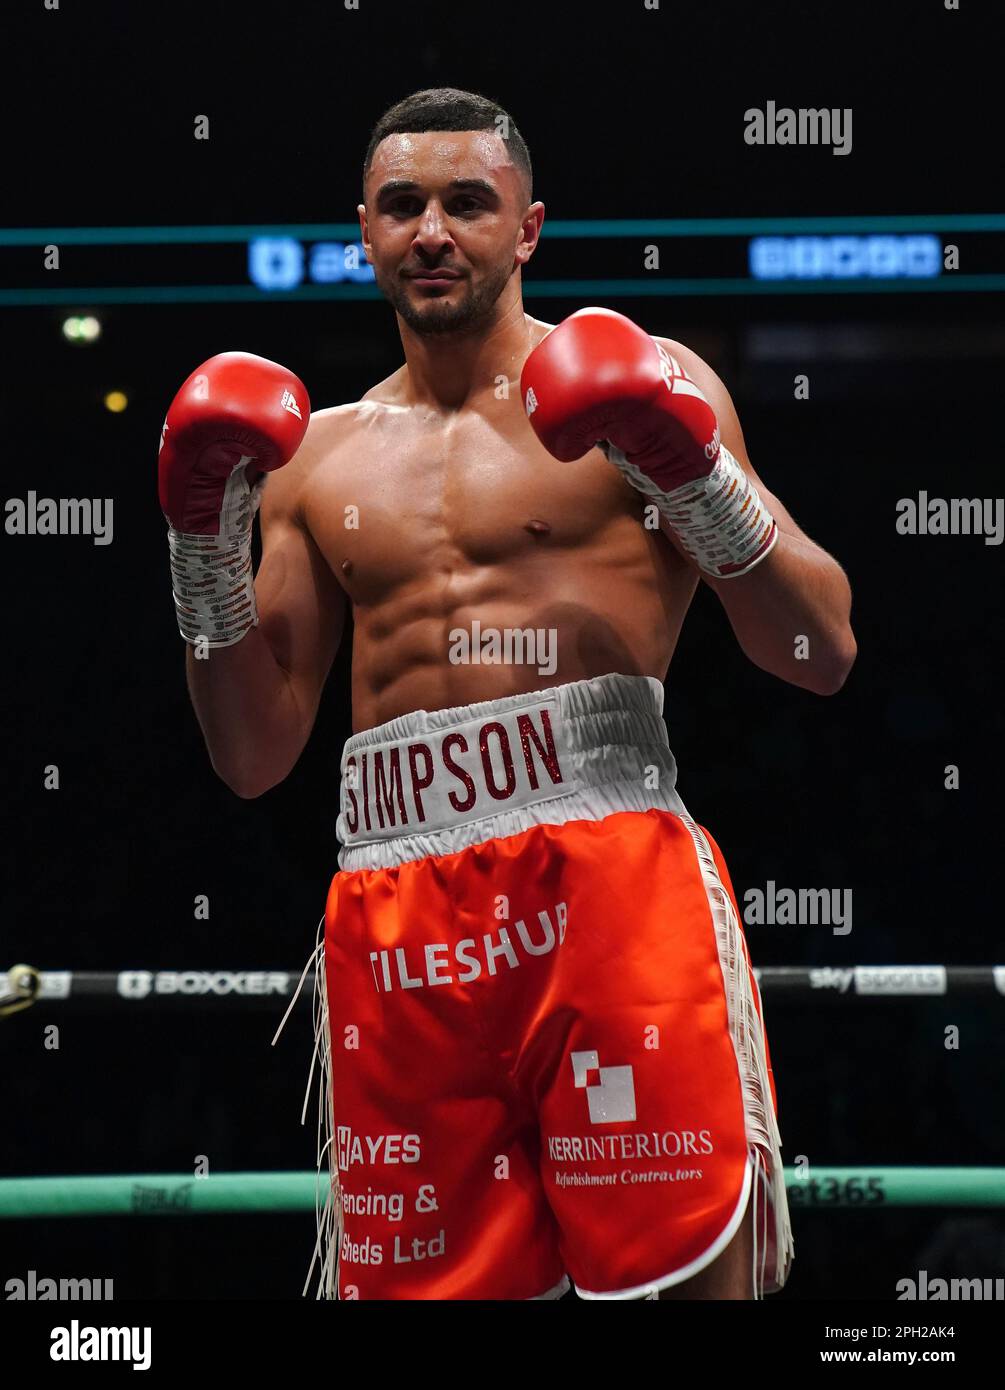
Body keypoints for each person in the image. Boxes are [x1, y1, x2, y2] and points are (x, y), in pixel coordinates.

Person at [158, 87, 856, 1301]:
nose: (433, 229)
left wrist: (690, 469)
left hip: (608, 884)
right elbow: (252, 755)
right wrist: (197, 549)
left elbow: (820, 648)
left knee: (681, 1279)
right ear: (362, 233)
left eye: (468, 202)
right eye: (402, 205)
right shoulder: (315, 456)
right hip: (397, 907)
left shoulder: (652, 378)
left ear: (529, 228)